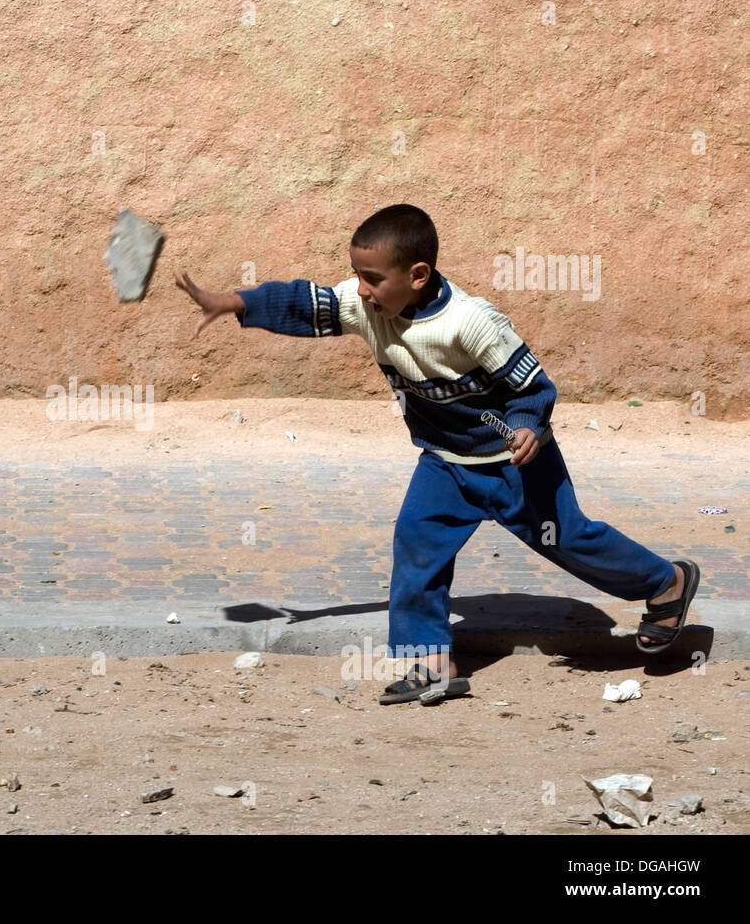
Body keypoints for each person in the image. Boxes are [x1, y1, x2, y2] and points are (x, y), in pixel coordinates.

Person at [176, 203, 700, 705]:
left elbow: (533, 388)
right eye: (356, 273)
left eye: (374, 277)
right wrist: (235, 303)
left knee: (571, 540)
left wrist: (524, 427)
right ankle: (431, 661)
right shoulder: (366, 308)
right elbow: (303, 302)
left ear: (418, 276)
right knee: (417, 549)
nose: (361, 288)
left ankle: (666, 581)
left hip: (514, 464)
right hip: (444, 464)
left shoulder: (471, 323)